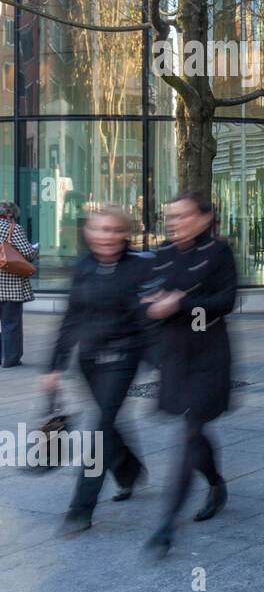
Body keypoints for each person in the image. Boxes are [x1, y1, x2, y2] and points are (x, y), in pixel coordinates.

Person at [42, 206, 150, 532]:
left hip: (123, 358)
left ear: (126, 234)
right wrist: (55, 367)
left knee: (101, 429)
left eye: (116, 230)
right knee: (108, 423)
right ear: (89, 233)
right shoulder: (83, 267)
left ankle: (80, 508)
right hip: (88, 361)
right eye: (101, 229)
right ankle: (129, 471)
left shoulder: (137, 269)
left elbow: (148, 322)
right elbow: (72, 318)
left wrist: (165, 363)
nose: (109, 236)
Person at [142, 191, 238, 557]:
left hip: (209, 357)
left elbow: (225, 302)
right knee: (193, 434)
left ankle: (166, 522)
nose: (173, 222)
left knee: (190, 432)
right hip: (174, 360)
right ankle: (215, 482)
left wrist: (180, 304)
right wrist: (152, 311)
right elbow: (149, 303)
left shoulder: (218, 253)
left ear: (204, 218)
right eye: (170, 216)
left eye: (182, 216)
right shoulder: (163, 254)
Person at [0, 201, 37, 368]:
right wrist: (35, 250)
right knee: (11, 323)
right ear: (9, 215)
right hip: (9, 286)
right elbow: (28, 253)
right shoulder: (13, 229)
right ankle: (10, 359)